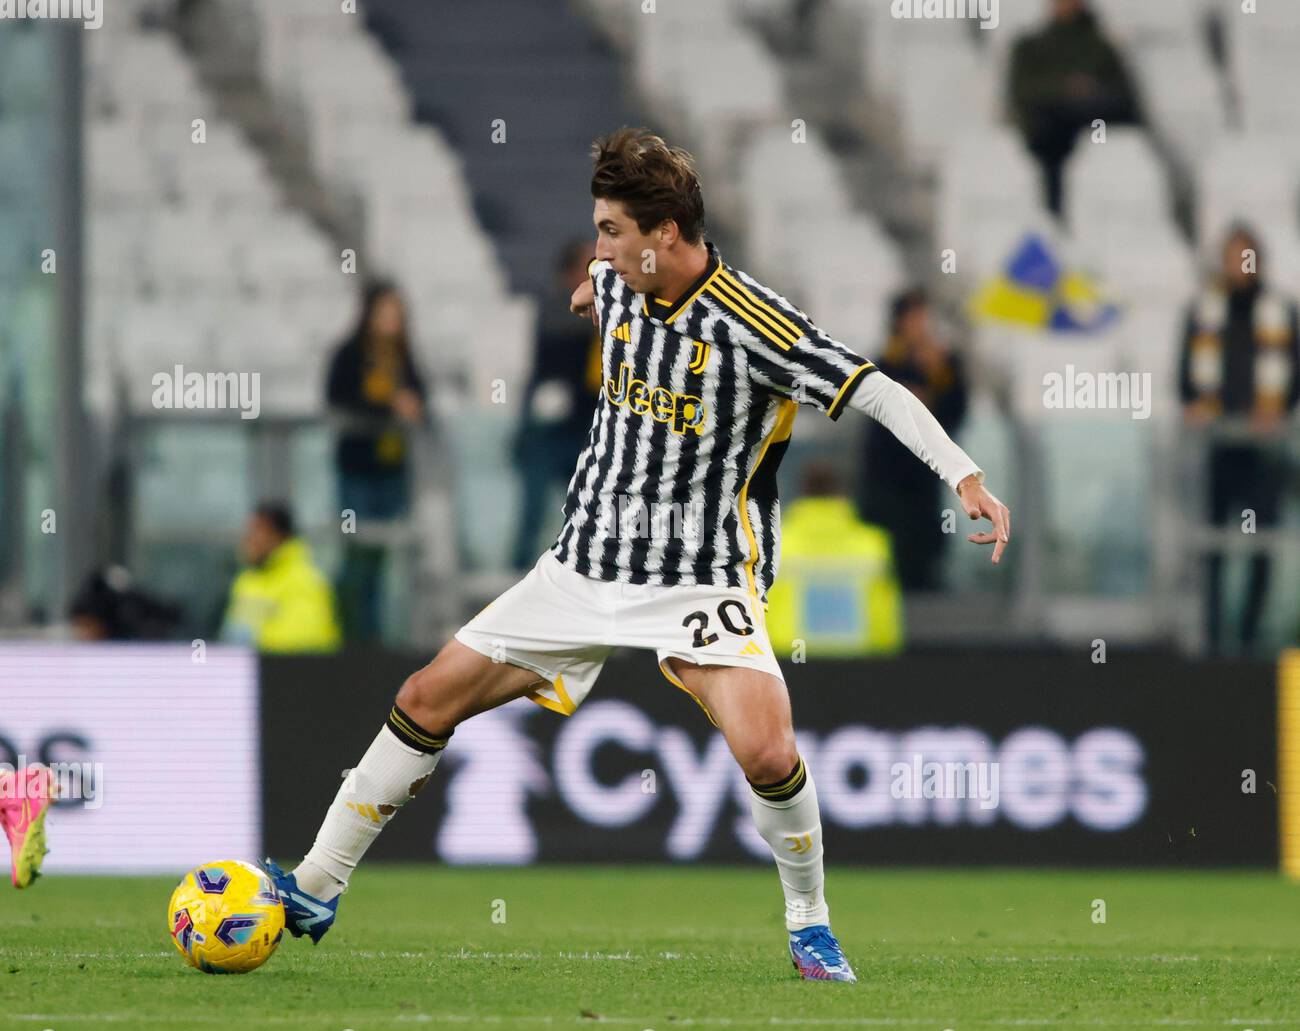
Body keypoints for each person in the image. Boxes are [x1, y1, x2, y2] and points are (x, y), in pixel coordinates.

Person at [262, 128, 1009, 983]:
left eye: (612, 230)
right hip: (583, 562)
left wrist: (965, 475)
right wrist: (590, 287)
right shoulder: (617, 283)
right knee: (426, 695)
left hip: (701, 575)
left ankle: (810, 922)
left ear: (666, 235)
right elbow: (594, 287)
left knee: (767, 752)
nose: (598, 248)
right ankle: (317, 882)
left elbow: (871, 385)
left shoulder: (755, 323)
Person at [1179, 224, 1300, 656]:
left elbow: (1294, 377)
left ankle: (1250, 638)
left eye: (1243, 256)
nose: (1237, 265)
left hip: (1264, 454)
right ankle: (1211, 639)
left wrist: (1277, 411)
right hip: (1218, 450)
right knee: (1212, 547)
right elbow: (1186, 378)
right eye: (1231, 256)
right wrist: (1199, 406)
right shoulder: (1205, 309)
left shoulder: (1279, 311)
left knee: (1260, 547)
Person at [326, 281, 428, 643]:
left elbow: (422, 399)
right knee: (358, 553)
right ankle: (349, 631)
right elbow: (340, 402)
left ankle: (370, 635)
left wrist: (412, 407)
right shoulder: (350, 355)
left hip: (391, 470)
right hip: (358, 471)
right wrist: (389, 408)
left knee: (380, 557)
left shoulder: (403, 358)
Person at [858, 288, 970, 592]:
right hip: (889, 477)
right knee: (893, 544)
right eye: (914, 318)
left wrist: (938, 377)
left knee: (926, 543)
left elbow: (956, 412)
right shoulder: (884, 363)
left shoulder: (943, 364)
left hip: (925, 474)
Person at [510, 239, 603, 570]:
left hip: (588, 431)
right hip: (548, 433)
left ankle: (580, 573)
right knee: (533, 510)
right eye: (588, 265)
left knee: (591, 507)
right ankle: (519, 574)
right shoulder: (553, 309)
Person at [1008, 0, 1140, 216]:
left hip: (1094, 123)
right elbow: (1021, 92)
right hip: (1049, 131)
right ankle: (1054, 215)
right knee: (1050, 134)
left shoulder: (1099, 46)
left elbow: (1124, 96)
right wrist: (1065, 89)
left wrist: (1088, 90)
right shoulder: (1030, 46)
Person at [766, 462, 904, 656]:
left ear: (802, 493)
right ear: (842, 494)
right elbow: (885, 614)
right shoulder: (873, 544)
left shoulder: (774, 543)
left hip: (789, 659)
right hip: (859, 661)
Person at [220, 503, 342, 654]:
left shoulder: (306, 581)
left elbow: (304, 643)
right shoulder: (246, 580)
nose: (248, 540)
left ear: (279, 536)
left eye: (257, 532)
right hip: (247, 672)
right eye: (249, 531)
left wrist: (250, 643)